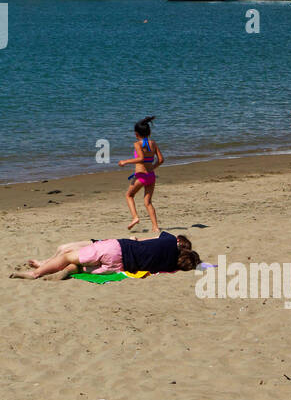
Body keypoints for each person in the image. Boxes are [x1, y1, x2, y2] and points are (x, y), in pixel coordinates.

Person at [11, 231, 200, 280]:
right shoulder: (168, 265)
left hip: (117, 248)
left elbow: (142, 240)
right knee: (80, 267)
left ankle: (35, 274)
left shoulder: (168, 240)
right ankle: (68, 271)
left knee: (68, 254)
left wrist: (134, 239)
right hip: (119, 267)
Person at [117, 115, 162, 232]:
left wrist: (125, 161)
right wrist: (152, 167)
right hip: (151, 176)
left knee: (129, 195)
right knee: (148, 202)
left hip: (141, 176)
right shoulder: (153, 143)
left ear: (136, 134)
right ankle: (155, 227)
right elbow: (161, 160)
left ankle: (135, 217)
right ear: (149, 132)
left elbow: (141, 158)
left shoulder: (137, 144)